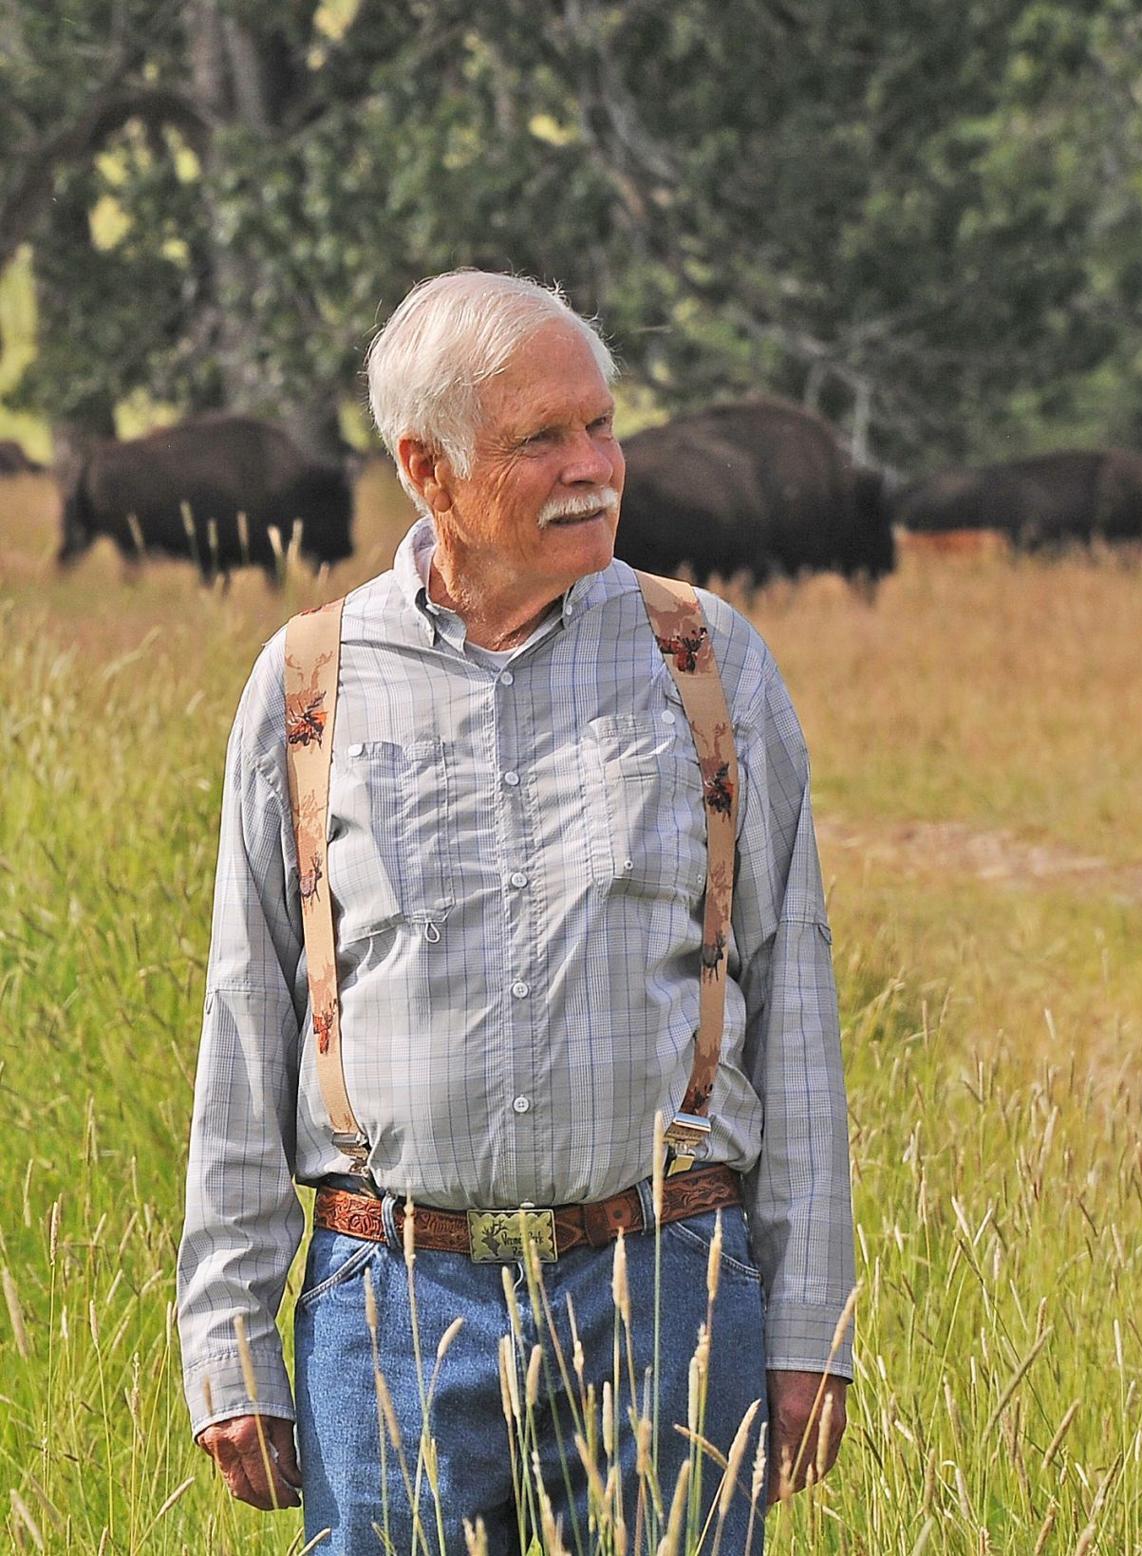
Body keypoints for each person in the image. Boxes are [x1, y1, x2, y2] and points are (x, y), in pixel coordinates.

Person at [176, 269, 856, 1553]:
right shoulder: (307, 682)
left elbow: (795, 1002)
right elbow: (245, 1008)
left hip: (670, 1291)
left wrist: (812, 1321)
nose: (593, 466)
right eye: (542, 439)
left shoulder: (707, 661)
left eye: (601, 426)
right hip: (388, 1303)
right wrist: (227, 1335)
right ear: (428, 468)